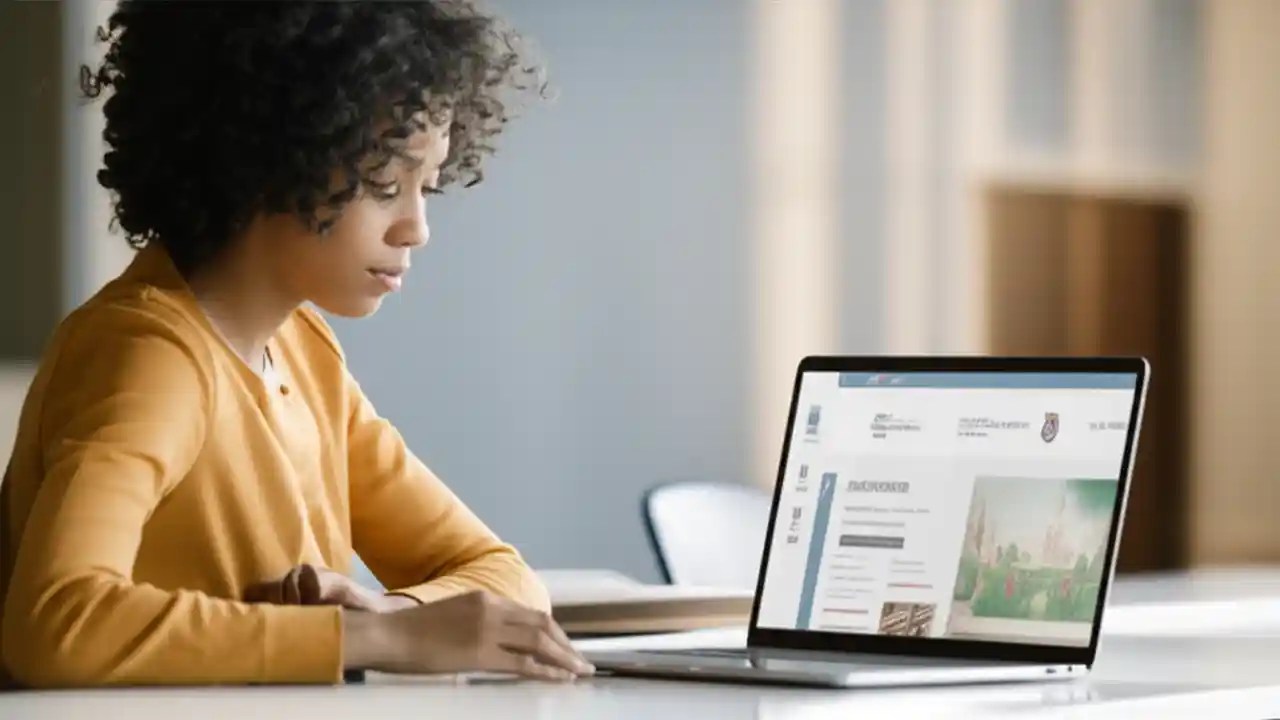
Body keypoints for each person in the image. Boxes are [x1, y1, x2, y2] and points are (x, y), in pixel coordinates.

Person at [0, 1, 593, 687]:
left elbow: (506, 579)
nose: (416, 228)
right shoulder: (150, 354)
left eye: (425, 186)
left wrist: (390, 616)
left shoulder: (306, 354)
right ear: (270, 156)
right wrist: (364, 637)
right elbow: (55, 621)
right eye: (384, 183)